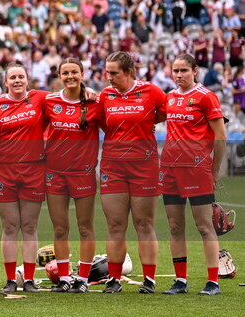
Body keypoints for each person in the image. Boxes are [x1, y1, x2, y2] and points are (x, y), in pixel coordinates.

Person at [95, 51, 167, 293]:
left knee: (144, 223)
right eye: (107, 72)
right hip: (113, 167)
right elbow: (103, 123)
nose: (109, 77)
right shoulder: (105, 95)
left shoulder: (152, 91)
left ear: (128, 72)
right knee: (115, 225)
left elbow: (167, 113)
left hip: (144, 167)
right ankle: (114, 279)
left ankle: (149, 280)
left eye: (114, 73)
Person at [160, 54, 227, 296]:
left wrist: (215, 169)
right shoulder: (169, 97)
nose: (179, 75)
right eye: (175, 70)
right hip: (169, 169)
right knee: (175, 226)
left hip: (197, 169)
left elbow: (220, 135)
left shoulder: (207, 97)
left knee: (204, 226)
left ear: (195, 71)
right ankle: (180, 280)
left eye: (184, 70)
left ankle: (213, 281)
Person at [42, 59, 101, 293]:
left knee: (85, 227)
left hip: (83, 174)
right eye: (65, 73)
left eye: (74, 72)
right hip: (54, 173)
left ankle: (83, 279)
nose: (70, 76)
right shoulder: (49, 101)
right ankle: (65, 278)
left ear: (82, 73)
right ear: (59, 75)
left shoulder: (95, 102)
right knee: (59, 228)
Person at [0, 64, 47, 294]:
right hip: (5, 170)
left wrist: (88, 91)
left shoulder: (40, 98)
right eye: (12, 77)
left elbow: (68, 99)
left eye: (20, 77)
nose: (17, 81)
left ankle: (30, 279)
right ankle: (11, 279)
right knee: (10, 225)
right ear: (6, 82)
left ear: (27, 79)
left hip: (33, 170)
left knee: (30, 226)